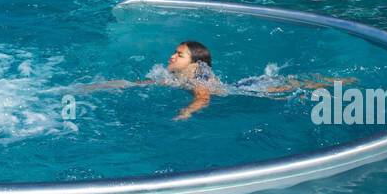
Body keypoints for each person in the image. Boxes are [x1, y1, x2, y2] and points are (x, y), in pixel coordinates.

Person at [78, 41, 356, 121]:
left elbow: (204, 96)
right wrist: (104, 85)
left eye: (180, 54)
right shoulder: (176, 73)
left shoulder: (197, 74)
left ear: (194, 61)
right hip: (237, 84)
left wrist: (188, 112)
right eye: (175, 52)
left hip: (240, 92)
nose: (172, 56)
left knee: (285, 89)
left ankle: (338, 82)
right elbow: (144, 84)